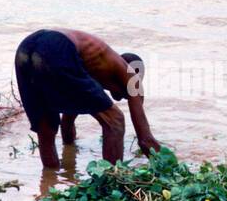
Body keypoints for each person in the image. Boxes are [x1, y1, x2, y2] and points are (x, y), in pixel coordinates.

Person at [14, 28, 162, 168]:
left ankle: (48, 184)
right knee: (115, 120)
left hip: (26, 48)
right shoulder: (131, 76)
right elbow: (145, 140)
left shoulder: (92, 67)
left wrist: (69, 150)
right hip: (56, 46)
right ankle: (111, 182)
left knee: (45, 128)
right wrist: (169, 168)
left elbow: (68, 121)